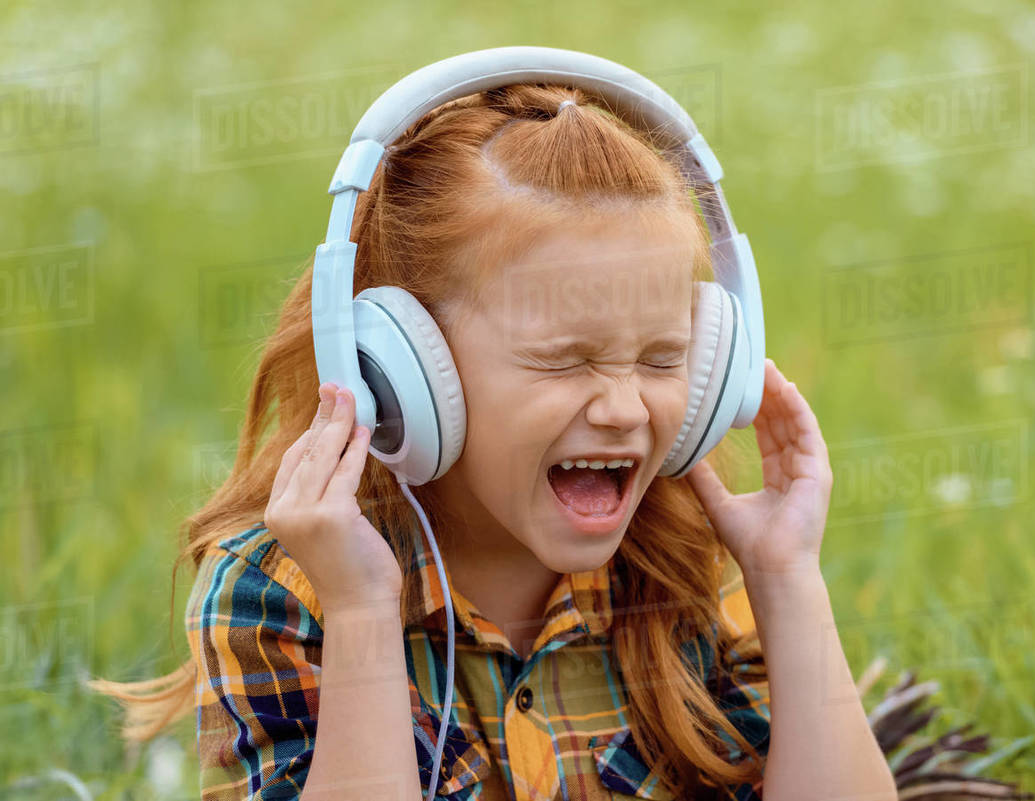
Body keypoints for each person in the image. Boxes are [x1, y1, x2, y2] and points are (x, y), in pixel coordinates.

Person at [90, 83, 897, 801]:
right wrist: (364, 610)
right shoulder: (281, 592)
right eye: (564, 358)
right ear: (402, 371)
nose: (623, 408)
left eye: (662, 358)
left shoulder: (679, 558)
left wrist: (786, 578)